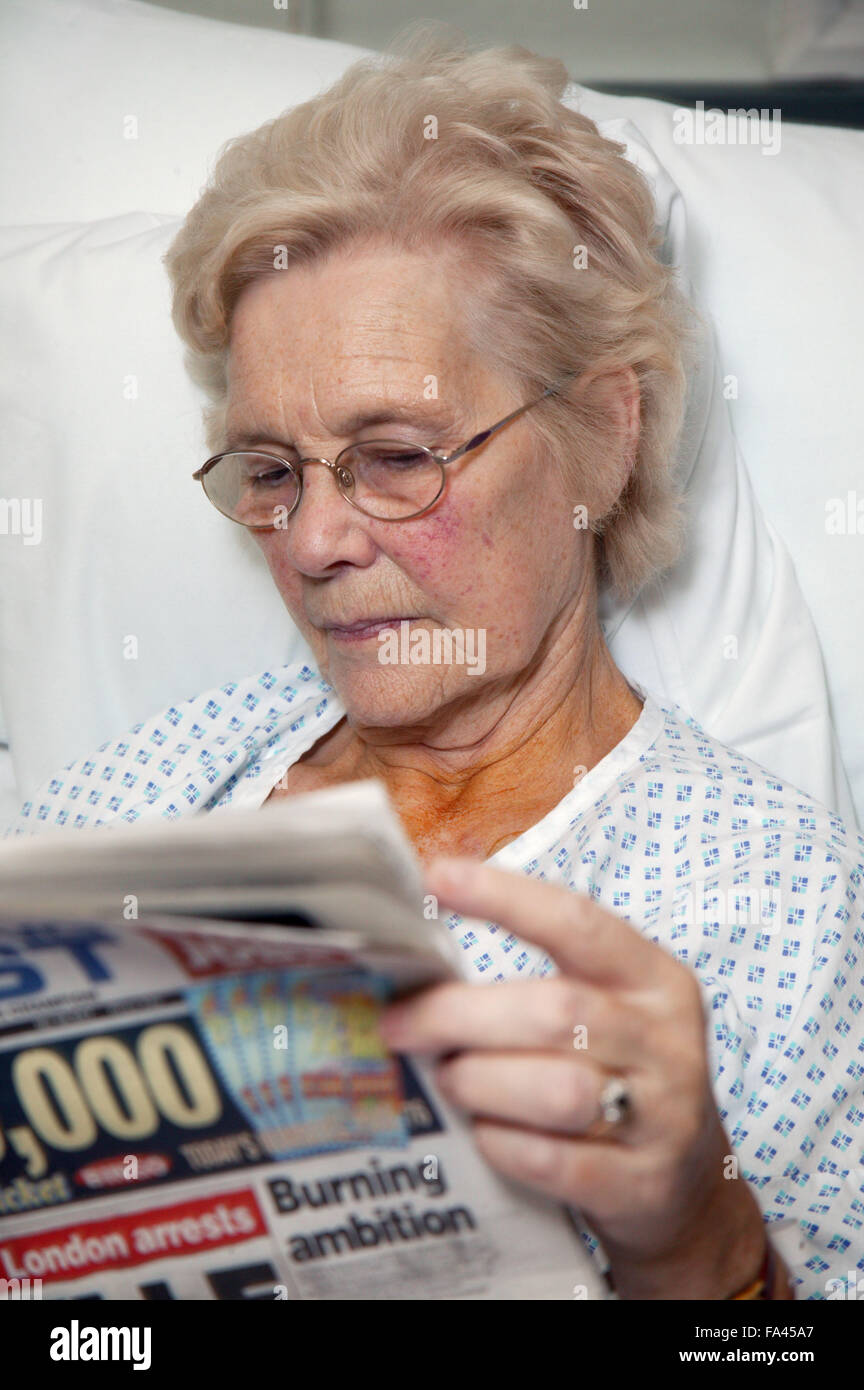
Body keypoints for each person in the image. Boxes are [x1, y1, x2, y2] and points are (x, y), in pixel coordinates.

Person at [8, 30, 862, 1300]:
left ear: (602, 434)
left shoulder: (776, 909)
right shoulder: (133, 804)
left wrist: (701, 1241)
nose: (313, 541)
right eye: (272, 471)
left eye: (397, 456)